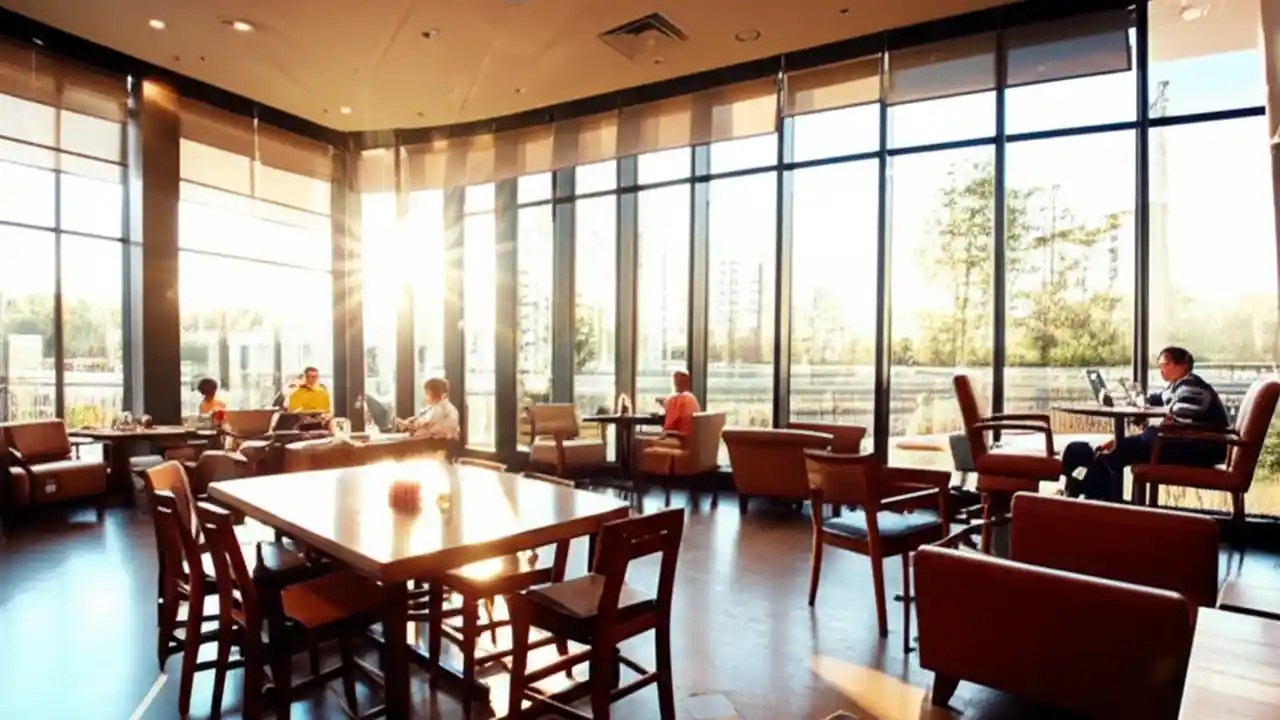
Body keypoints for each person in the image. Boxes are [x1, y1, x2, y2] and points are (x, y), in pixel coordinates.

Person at [1061, 346, 1229, 501]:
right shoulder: (1176, 387)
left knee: (1118, 451)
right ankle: (1094, 494)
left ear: (1183, 365)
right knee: (1115, 450)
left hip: (1198, 448)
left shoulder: (1193, 388)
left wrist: (1143, 425)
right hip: (1185, 442)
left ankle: (1094, 498)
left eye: (1165, 363)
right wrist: (1137, 401)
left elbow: (1177, 421)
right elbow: (1156, 402)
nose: (1161, 369)